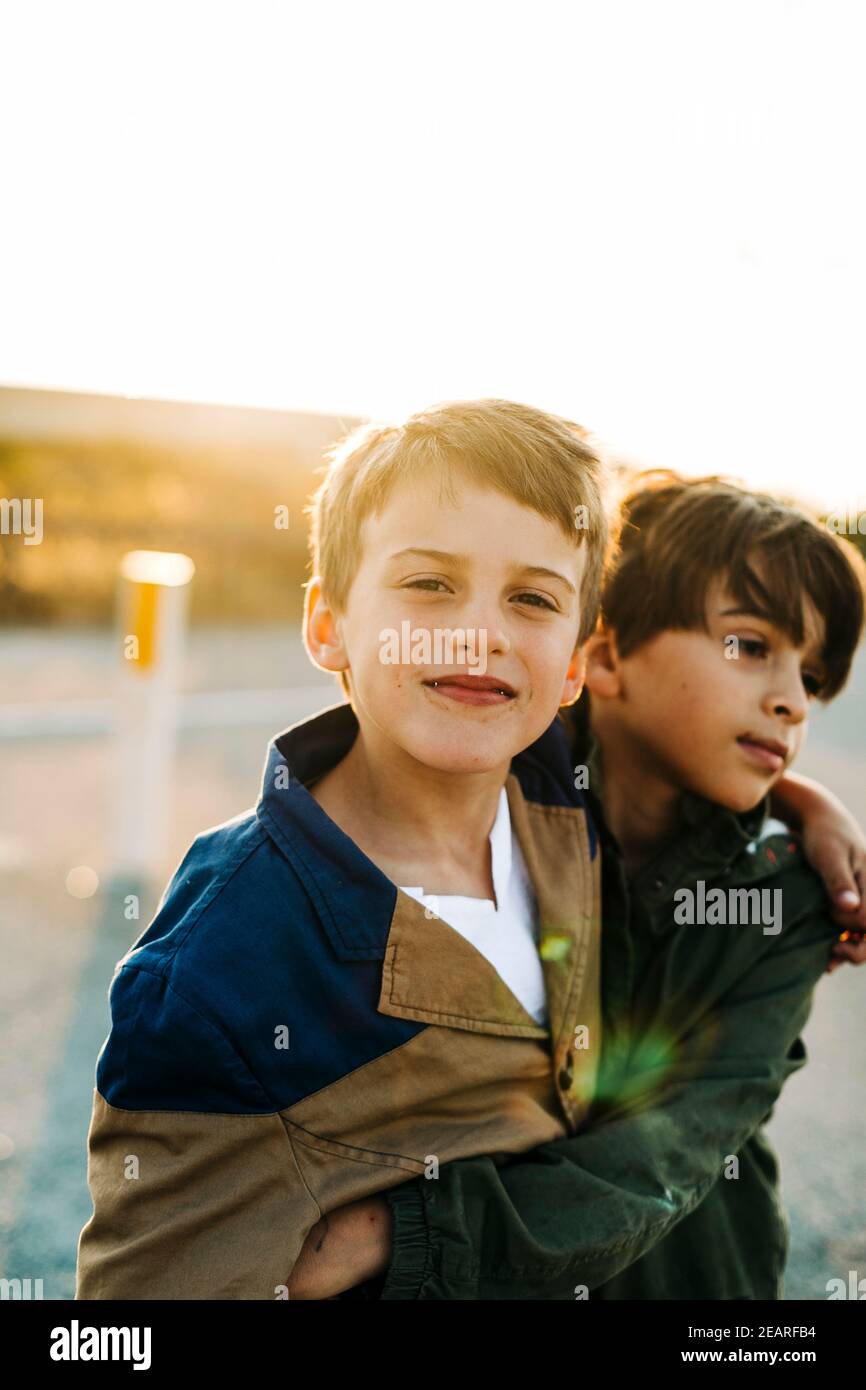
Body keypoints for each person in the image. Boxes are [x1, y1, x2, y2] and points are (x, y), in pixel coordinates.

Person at [287, 469, 866, 1300]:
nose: (790, 703)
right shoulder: (493, 795)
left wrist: (396, 1234)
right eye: (751, 646)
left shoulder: (787, 899)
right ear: (602, 653)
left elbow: (671, 1150)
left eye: (812, 679)